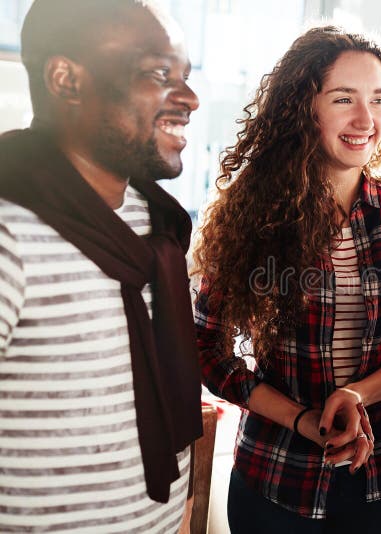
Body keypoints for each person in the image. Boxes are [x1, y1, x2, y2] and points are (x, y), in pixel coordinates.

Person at [192, 26, 381, 533]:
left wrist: (358, 394)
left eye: (379, 100)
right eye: (343, 99)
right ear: (303, 106)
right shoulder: (253, 213)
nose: (366, 119)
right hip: (277, 473)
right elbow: (207, 347)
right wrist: (300, 418)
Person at [0, 0, 202, 532]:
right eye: (159, 74)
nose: (190, 99)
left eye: (185, 76)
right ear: (66, 80)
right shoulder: (8, 233)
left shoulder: (156, 222)